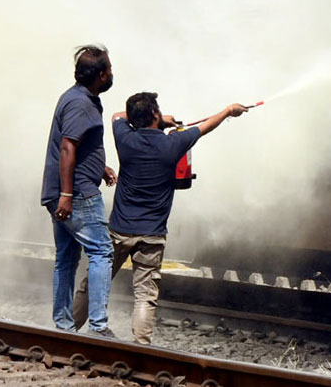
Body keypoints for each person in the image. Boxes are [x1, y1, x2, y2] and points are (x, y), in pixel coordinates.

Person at [74, 93, 248, 343]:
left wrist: (159, 120)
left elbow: (116, 116)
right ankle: (142, 344)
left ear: (134, 119)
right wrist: (228, 110)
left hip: (119, 231)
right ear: (154, 114)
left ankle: (68, 329)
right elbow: (204, 127)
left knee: (93, 281)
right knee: (145, 294)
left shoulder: (125, 138)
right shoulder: (173, 143)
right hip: (153, 234)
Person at [40, 46, 118, 337]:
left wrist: (101, 167)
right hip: (79, 193)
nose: (112, 74)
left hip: (71, 188)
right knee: (101, 251)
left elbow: (78, 144)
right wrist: (68, 195)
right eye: (109, 69)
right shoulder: (81, 104)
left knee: (67, 257)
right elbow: (67, 147)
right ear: (100, 75)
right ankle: (98, 327)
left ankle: (63, 325)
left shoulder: (77, 97)